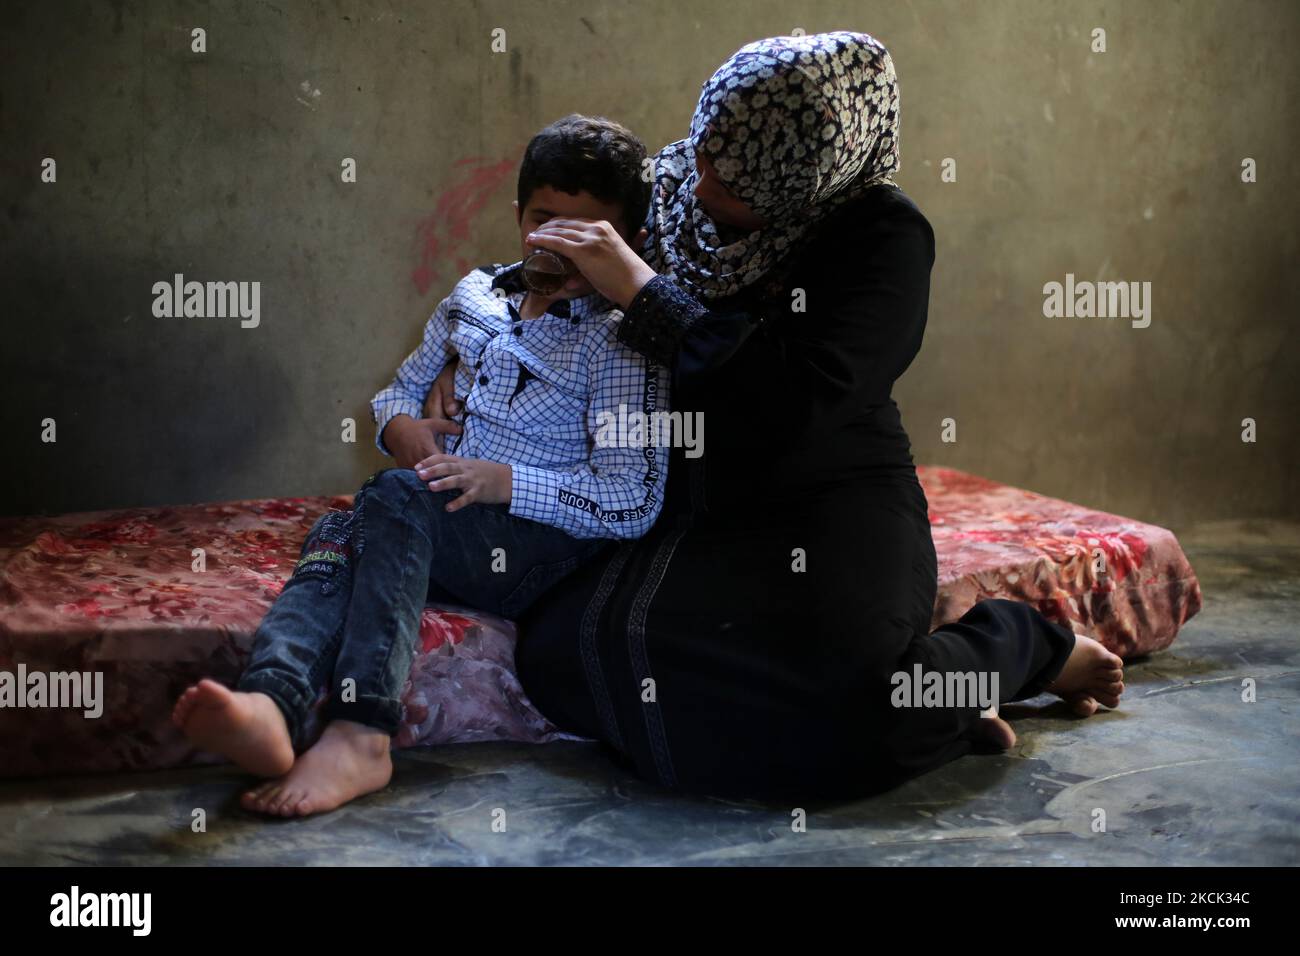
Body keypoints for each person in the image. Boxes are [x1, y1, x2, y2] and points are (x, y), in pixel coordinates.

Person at [426, 31, 1125, 802]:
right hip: (684, 503)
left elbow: (791, 402)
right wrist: (464, 358)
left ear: (805, 177)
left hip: (823, 499)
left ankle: (1019, 645)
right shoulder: (664, 185)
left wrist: (645, 293)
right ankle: (950, 698)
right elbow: (539, 270)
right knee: (565, 658)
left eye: (731, 176)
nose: (700, 181)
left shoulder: (881, 239)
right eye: (703, 151)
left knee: (855, 717)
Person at [172, 114, 671, 816]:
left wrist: (504, 480)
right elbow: (400, 391)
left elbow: (631, 498)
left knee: (392, 501)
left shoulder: (621, 342)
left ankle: (362, 730)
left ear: (629, 243)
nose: (557, 245)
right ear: (519, 215)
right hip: (444, 516)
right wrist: (402, 426)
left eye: (587, 234)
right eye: (543, 220)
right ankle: (270, 704)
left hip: (536, 543)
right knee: (342, 535)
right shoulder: (477, 296)